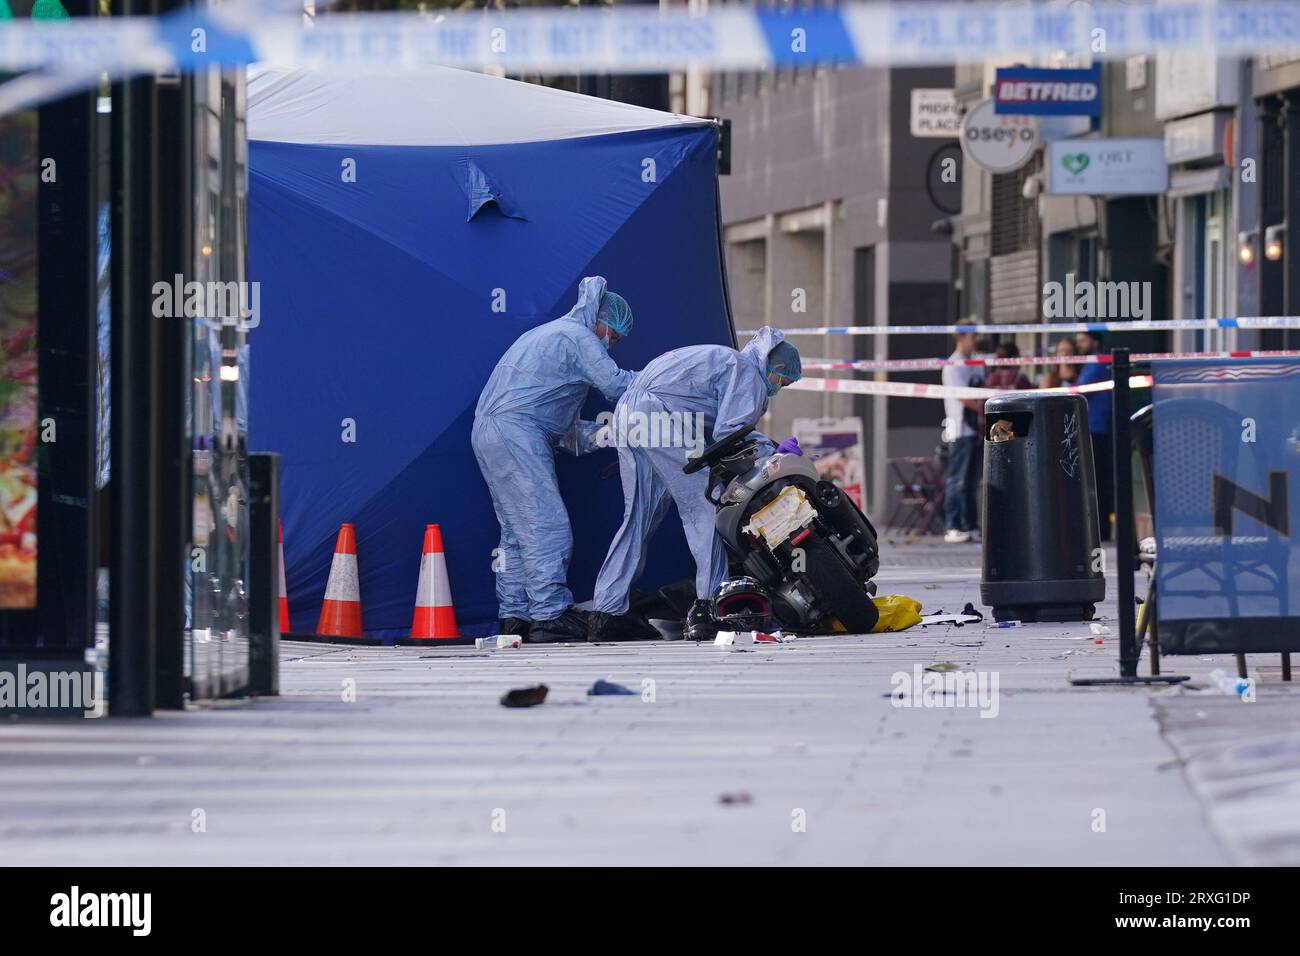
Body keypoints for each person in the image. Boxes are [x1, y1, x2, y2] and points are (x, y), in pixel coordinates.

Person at [587, 327, 801, 642]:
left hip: (629, 413)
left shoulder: (726, 361)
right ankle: (710, 605)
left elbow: (716, 426)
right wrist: (772, 452)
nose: (778, 388)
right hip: (657, 418)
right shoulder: (748, 375)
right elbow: (732, 432)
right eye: (782, 381)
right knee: (703, 505)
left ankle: (606, 614)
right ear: (775, 367)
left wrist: (765, 443)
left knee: (637, 520)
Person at [471, 276, 635, 643]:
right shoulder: (577, 338)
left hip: (493, 432)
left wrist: (606, 434)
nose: (613, 344)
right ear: (601, 321)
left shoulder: (549, 337)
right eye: (615, 336)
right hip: (516, 434)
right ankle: (549, 615)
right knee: (546, 523)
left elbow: (560, 427)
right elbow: (617, 385)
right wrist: (662, 384)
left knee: (516, 532)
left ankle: (514, 617)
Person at [941, 331, 983, 543]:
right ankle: (952, 525)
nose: (976, 340)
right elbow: (964, 397)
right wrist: (984, 409)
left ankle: (970, 524)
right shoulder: (953, 365)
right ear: (961, 338)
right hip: (960, 429)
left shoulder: (976, 362)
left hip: (976, 429)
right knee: (957, 479)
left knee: (972, 481)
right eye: (973, 336)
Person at [1073, 330, 1114, 540]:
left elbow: (1078, 390)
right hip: (1091, 427)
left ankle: (1100, 530)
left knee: (1097, 480)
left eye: (1083, 341)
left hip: (1096, 429)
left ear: (1095, 342)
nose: (1079, 345)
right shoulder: (1090, 364)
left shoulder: (1098, 364)